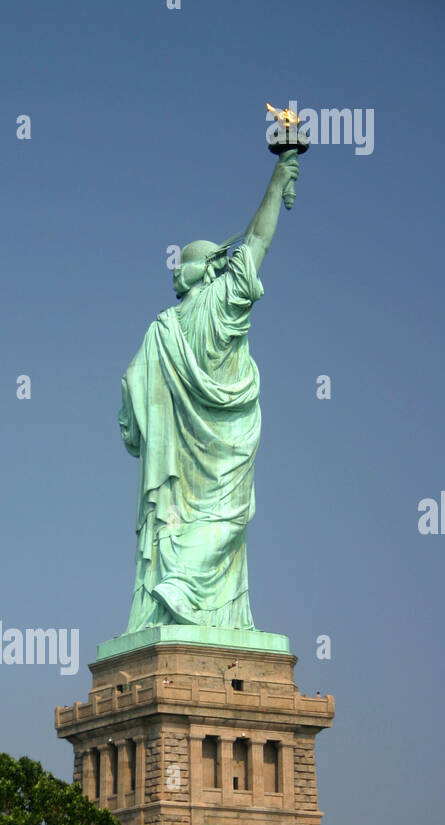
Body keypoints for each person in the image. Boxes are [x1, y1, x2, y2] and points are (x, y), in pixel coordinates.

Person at [118, 150, 300, 634]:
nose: (175, 269)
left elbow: (129, 390)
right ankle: (188, 600)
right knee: (226, 524)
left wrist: (141, 426)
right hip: (229, 446)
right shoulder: (222, 303)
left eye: (183, 262)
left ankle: (176, 594)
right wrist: (279, 178)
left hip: (181, 460)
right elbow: (259, 238)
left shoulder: (164, 328)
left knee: (190, 524)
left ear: (202, 269)